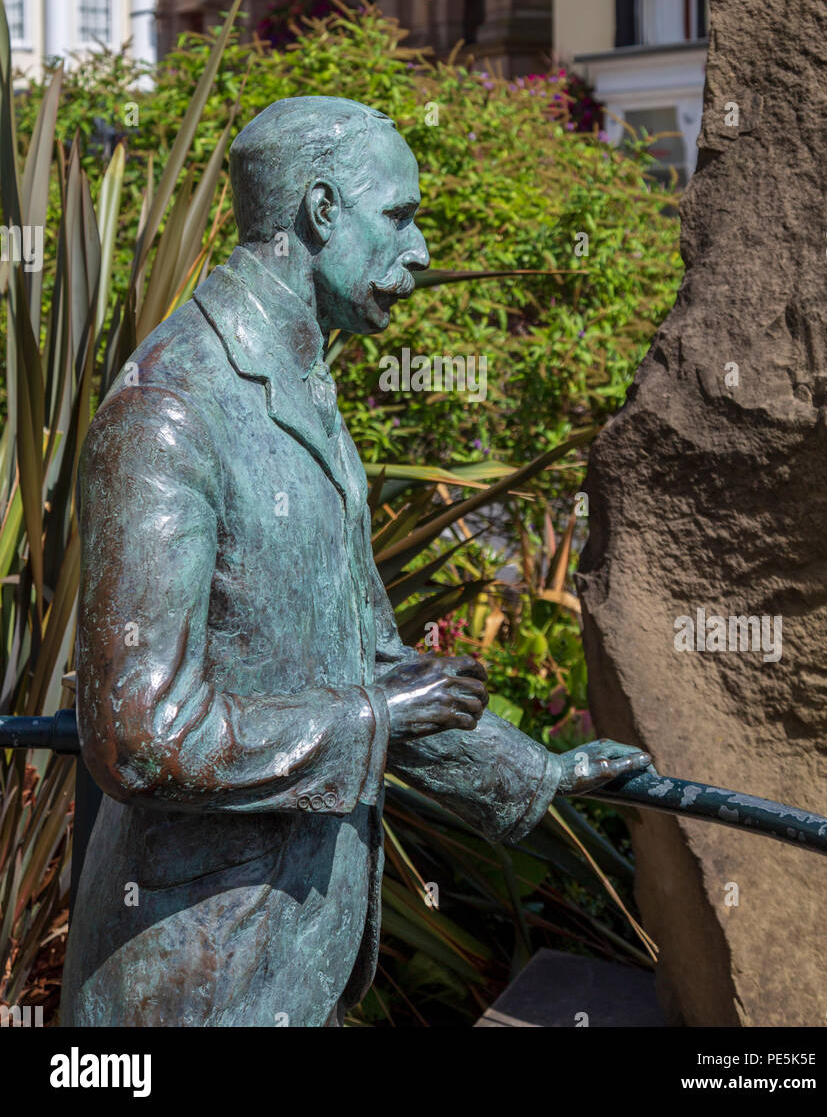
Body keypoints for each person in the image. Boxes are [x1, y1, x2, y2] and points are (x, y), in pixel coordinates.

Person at [61, 96, 649, 1027]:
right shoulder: (169, 408)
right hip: (194, 974)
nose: (419, 254)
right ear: (322, 211)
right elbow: (140, 733)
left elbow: (367, 656)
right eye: (401, 217)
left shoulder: (304, 387)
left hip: (300, 958)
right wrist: (375, 718)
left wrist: (534, 776)